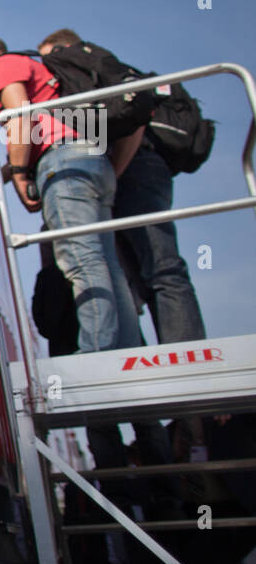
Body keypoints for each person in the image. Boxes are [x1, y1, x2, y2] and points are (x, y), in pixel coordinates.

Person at [0, 33, 141, 355]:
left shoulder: (3, 65)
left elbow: (21, 117)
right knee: (107, 263)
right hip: (92, 161)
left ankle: (97, 354)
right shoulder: (36, 67)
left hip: (63, 164)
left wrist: (20, 174)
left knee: (80, 262)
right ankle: (125, 351)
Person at [37, 29, 207, 348]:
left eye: (53, 54)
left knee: (160, 263)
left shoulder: (101, 72)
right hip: (124, 168)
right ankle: (139, 352)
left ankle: (187, 349)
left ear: (70, 47)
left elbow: (136, 121)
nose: (51, 64)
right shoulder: (92, 76)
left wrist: (113, 172)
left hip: (138, 165)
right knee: (122, 270)